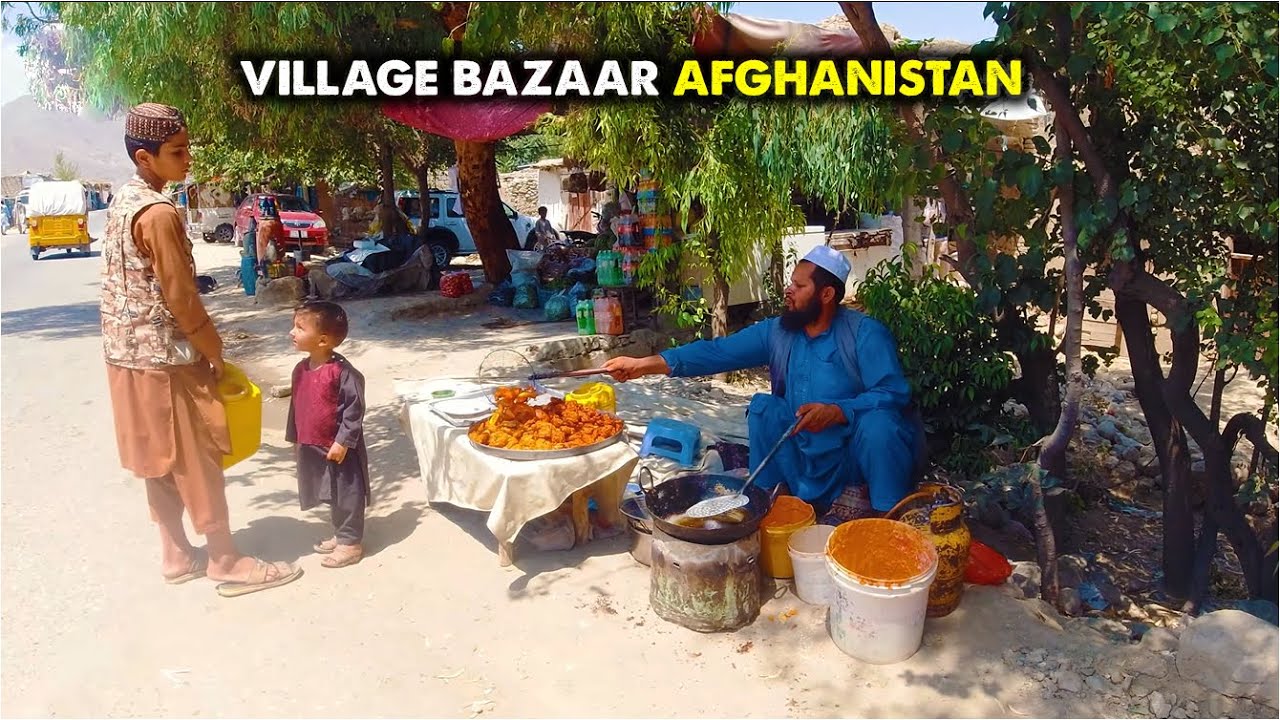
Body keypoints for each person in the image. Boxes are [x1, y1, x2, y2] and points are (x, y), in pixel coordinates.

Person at [101, 103, 303, 597]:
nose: (188, 159)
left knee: (158, 456)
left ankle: (175, 554)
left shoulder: (123, 200)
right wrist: (214, 352)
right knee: (197, 456)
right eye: (177, 151)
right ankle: (225, 560)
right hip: (167, 358)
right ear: (145, 157)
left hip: (125, 356)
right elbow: (181, 298)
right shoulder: (158, 213)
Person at [602, 246, 923, 524]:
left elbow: (892, 394)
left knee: (880, 425)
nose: (788, 290)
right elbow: (717, 352)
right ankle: (766, 501)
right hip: (798, 450)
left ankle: (886, 518)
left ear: (826, 295)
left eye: (799, 286)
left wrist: (839, 411)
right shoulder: (778, 331)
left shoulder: (865, 334)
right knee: (764, 408)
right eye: (790, 283)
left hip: (850, 455)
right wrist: (643, 365)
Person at [286, 301, 370, 568]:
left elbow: (354, 410)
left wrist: (343, 441)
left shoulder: (343, 373)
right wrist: (295, 438)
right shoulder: (301, 370)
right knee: (330, 492)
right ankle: (341, 533)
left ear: (322, 340)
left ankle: (350, 543)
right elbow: (297, 406)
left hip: (338, 446)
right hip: (312, 443)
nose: (292, 332)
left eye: (300, 328)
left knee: (347, 492)